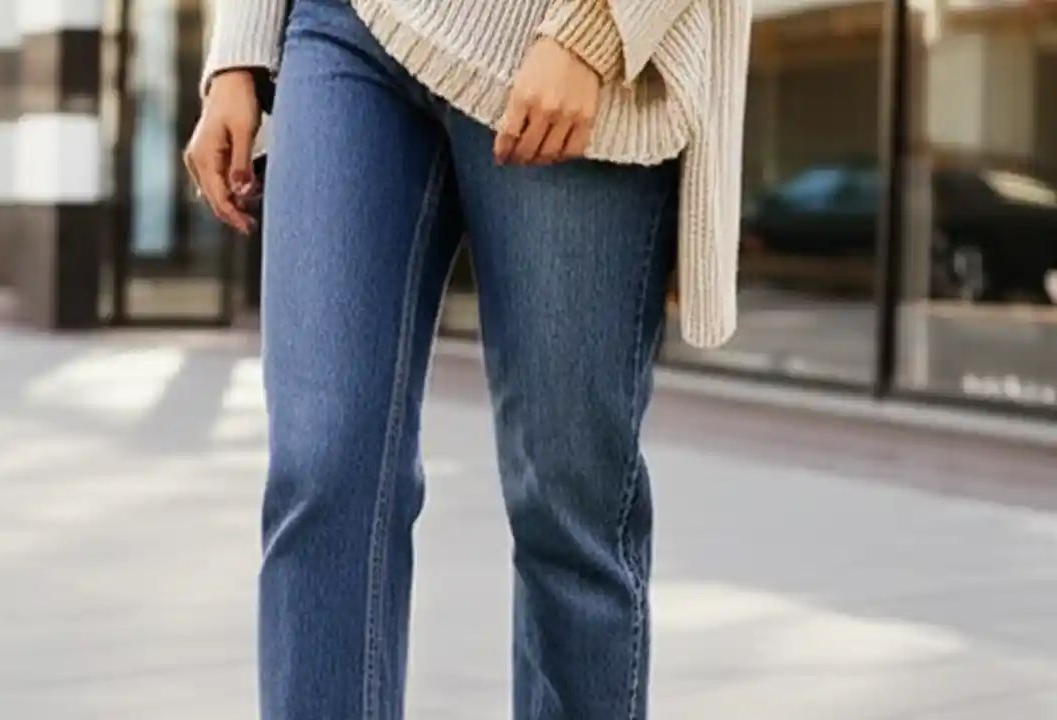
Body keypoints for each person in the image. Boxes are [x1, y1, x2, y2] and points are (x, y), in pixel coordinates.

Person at [184, 0, 752, 717]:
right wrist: (238, 50)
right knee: (320, 470)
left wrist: (596, 27)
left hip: (564, 48)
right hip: (344, 32)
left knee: (567, 503)